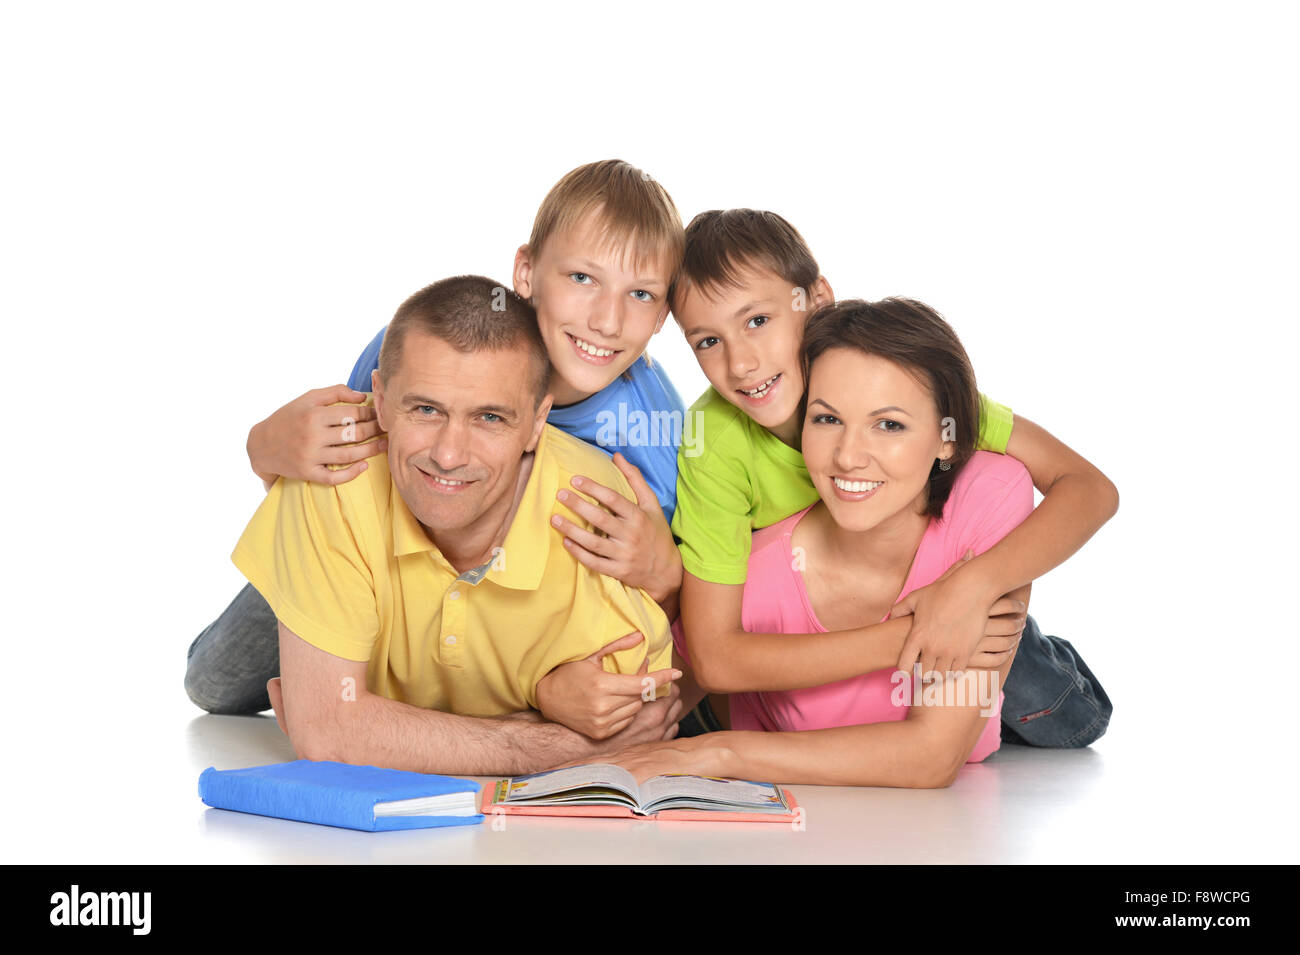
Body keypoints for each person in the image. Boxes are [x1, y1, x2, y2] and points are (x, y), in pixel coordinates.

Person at [186, 160, 691, 720]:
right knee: (213, 682)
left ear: (664, 315)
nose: (607, 320)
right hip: (389, 569)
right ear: (526, 273)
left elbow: (666, 614)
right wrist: (263, 450)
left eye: (641, 294)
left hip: (520, 606)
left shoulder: (655, 432)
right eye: (582, 279)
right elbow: (340, 492)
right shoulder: (432, 343)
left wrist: (665, 578)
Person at [667, 210, 1115, 747]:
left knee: (1060, 715)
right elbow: (717, 654)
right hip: (830, 631)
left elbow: (1088, 487)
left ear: (817, 299)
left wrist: (972, 589)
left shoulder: (892, 380)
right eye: (707, 342)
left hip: (948, 595)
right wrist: (906, 637)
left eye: (758, 320)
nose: (740, 363)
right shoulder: (715, 441)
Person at [236, 275, 685, 775]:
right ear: (379, 400)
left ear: (539, 421)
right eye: (426, 409)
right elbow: (328, 732)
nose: (449, 455)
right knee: (213, 681)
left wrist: (366, 724)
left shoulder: (599, 517)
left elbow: (645, 723)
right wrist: (557, 743)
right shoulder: (331, 472)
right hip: (311, 567)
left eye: (490, 418)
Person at [601, 299, 1040, 787]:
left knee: (1059, 700)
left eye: (889, 425)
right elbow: (674, 687)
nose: (848, 457)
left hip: (1018, 699)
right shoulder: (754, 582)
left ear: (949, 437)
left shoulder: (992, 494)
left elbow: (933, 758)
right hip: (772, 743)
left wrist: (721, 755)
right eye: (827, 419)